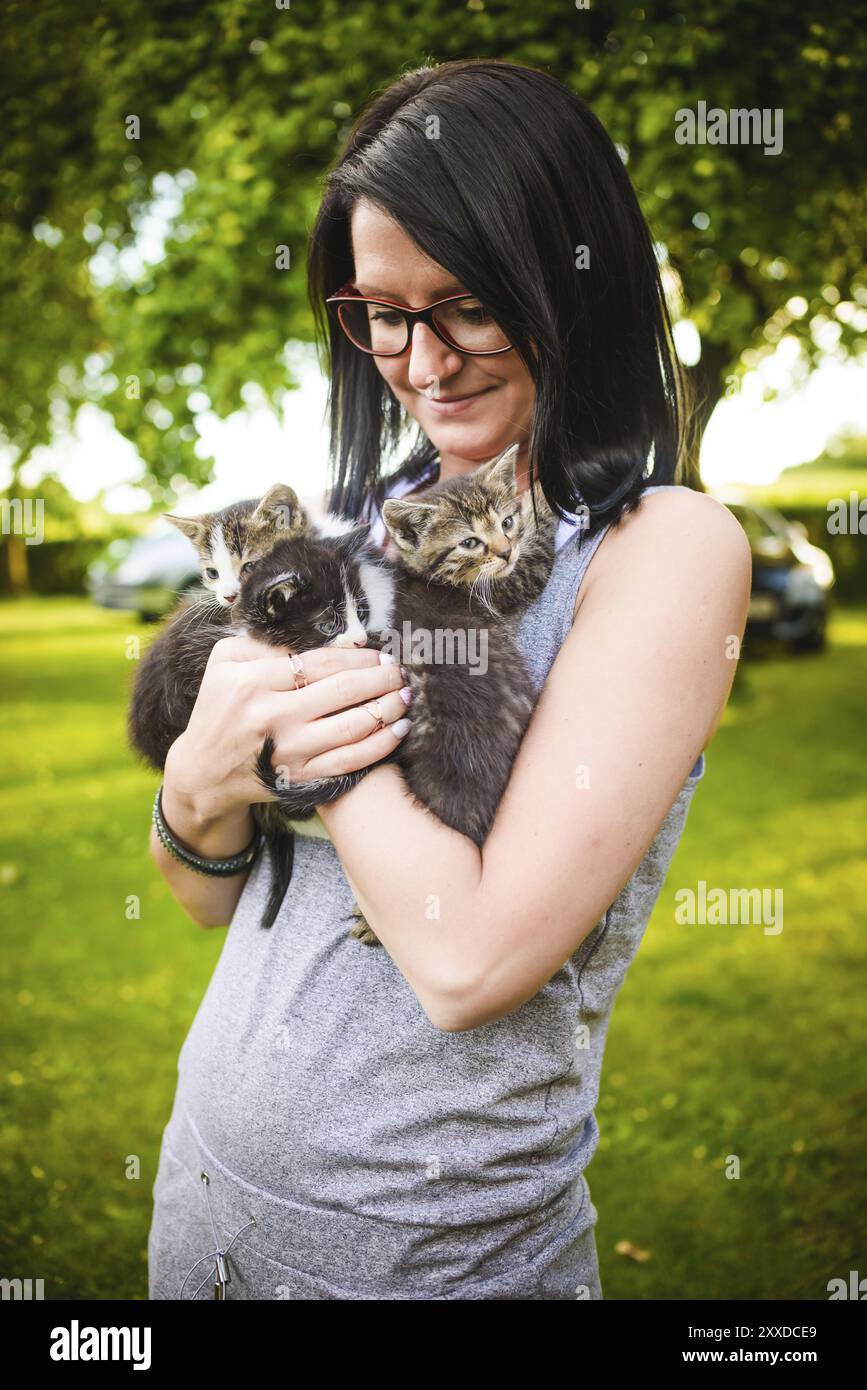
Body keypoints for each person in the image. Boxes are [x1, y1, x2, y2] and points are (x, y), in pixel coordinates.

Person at [147, 59, 751, 1301]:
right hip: (199, 1207)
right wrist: (200, 781)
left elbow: (467, 960)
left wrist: (292, 710)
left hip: (427, 1261)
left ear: (572, 283)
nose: (417, 363)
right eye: (377, 311)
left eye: (466, 304)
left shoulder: (662, 550)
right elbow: (207, 899)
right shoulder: (363, 527)